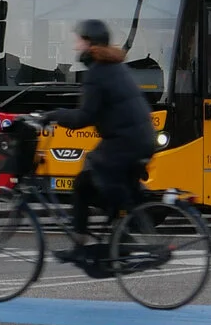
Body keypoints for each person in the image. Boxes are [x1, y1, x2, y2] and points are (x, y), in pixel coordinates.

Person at [41, 18, 153, 261]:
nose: (75, 46)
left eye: (79, 41)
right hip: (139, 138)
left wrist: (52, 115)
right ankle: (120, 228)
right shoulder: (115, 66)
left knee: (84, 181)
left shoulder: (97, 73)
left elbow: (84, 116)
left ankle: (89, 241)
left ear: (90, 43)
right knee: (97, 182)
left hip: (125, 140)